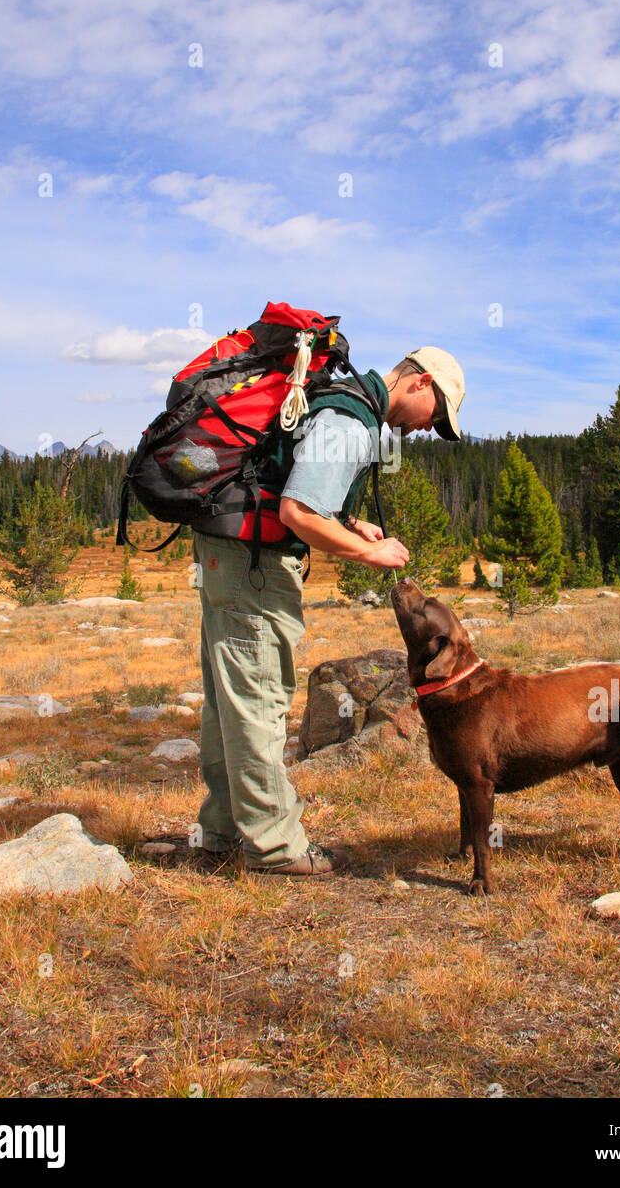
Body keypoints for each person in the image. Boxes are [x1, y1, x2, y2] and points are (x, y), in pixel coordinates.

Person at [192, 346, 466, 878]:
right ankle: (274, 849)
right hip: (256, 567)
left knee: (228, 701)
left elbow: (294, 487)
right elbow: (297, 512)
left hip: (228, 554)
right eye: (438, 414)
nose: (432, 428)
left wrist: (350, 522)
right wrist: (370, 552)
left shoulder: (339, 400)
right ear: (421, 383)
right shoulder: (351, 421)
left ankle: (223, 834)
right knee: (258, 702)